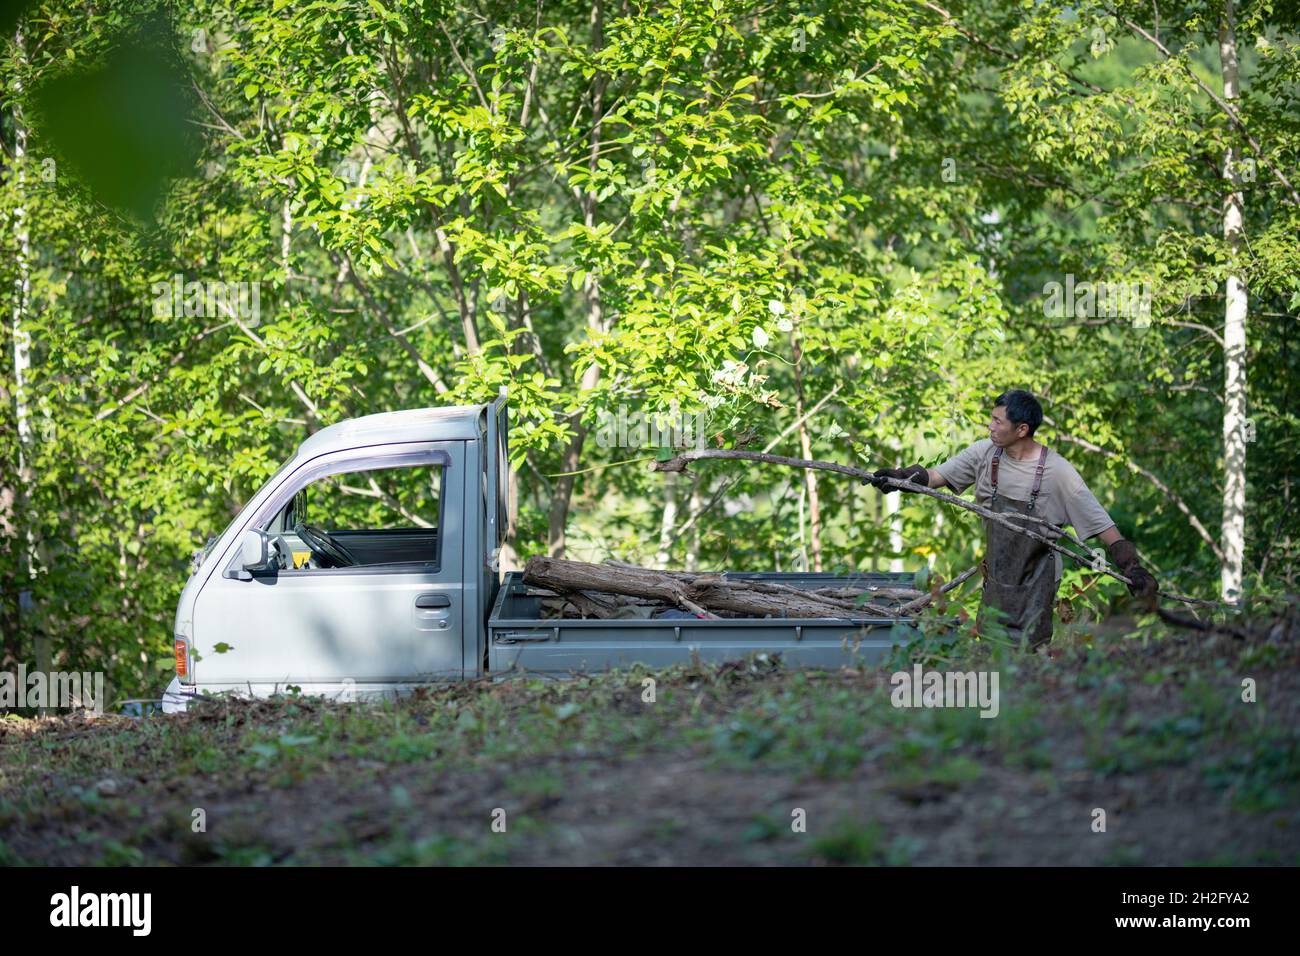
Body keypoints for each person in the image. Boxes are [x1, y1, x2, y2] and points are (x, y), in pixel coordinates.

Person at [871, 389, 1158, 649]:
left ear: (1022, 429)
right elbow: (937, 476)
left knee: (1030, 649)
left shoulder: (1058, 472)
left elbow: (1103, 525)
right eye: (991, 419)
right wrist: (901, 478)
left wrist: (1132, 568)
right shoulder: (985, 454)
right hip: (997, 575)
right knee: (992, 644)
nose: (990, 426)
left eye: (998, 422)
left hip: (1038, 581)